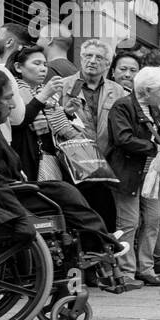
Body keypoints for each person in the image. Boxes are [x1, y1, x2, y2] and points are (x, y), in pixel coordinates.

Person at [0, 68, 119, 257]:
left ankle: (100, 240)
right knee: (65, 192)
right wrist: (18, 218)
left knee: (64, 190)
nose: (12, 105)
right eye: (7, 99)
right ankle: (101, 243)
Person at [107, 66, 160, 287]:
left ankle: (145, 268)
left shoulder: (152, 108)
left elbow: (157, 135)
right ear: (147, 90)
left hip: (149, 172)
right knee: (129, 223)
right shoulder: (123, 106)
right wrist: (153, 146)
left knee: (154, 219)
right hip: (127, 171)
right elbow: (123, 138)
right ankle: (126, 272)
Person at [57, 38, 125, 231]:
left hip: (105, 161)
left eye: (99, 57)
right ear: (80, 58)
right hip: (74, 162)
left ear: (107, 63)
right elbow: (54, 118)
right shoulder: (64, 86)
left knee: (105, 214)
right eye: (88, 55)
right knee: (78, 213)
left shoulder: (117, 90)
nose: (92, 61)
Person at [5, 44, 63, 183]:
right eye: (36, 63)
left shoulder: (43, 91)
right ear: (18, 67)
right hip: (23, 156)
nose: (43, 69)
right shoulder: (11, 92)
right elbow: (20, 121)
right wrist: (43, 96)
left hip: (46, 156)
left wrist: (67, 112)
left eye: (44, 64)